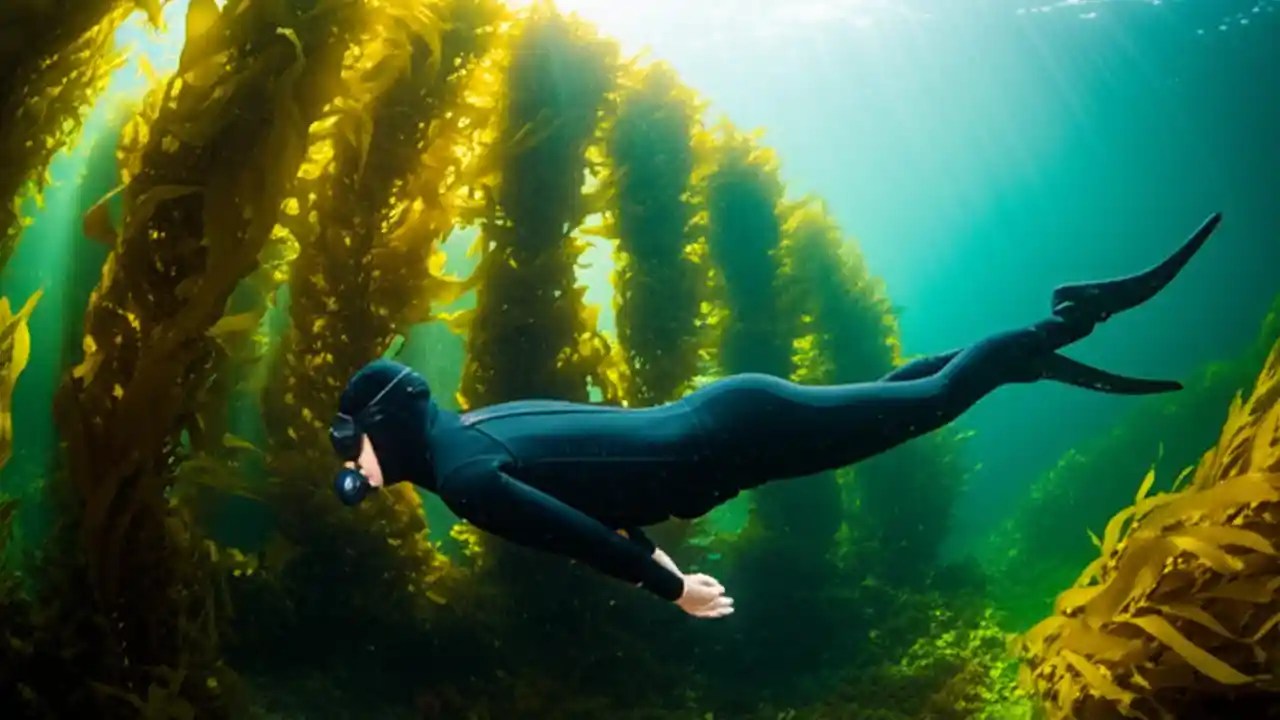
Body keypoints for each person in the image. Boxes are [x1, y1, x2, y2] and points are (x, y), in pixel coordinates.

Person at [328, 213, 1222, 620]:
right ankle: (1027, 360)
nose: (355, 465)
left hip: (736, 439)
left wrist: (668, 588)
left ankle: (1062, 320)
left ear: (391, 426)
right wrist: (653, 552)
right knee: (891, 402)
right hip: (727, 411)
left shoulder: (469, 483)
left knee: (929, 406)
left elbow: (574, 534)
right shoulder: (474, 428)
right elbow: (587, 479)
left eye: (356, 445)